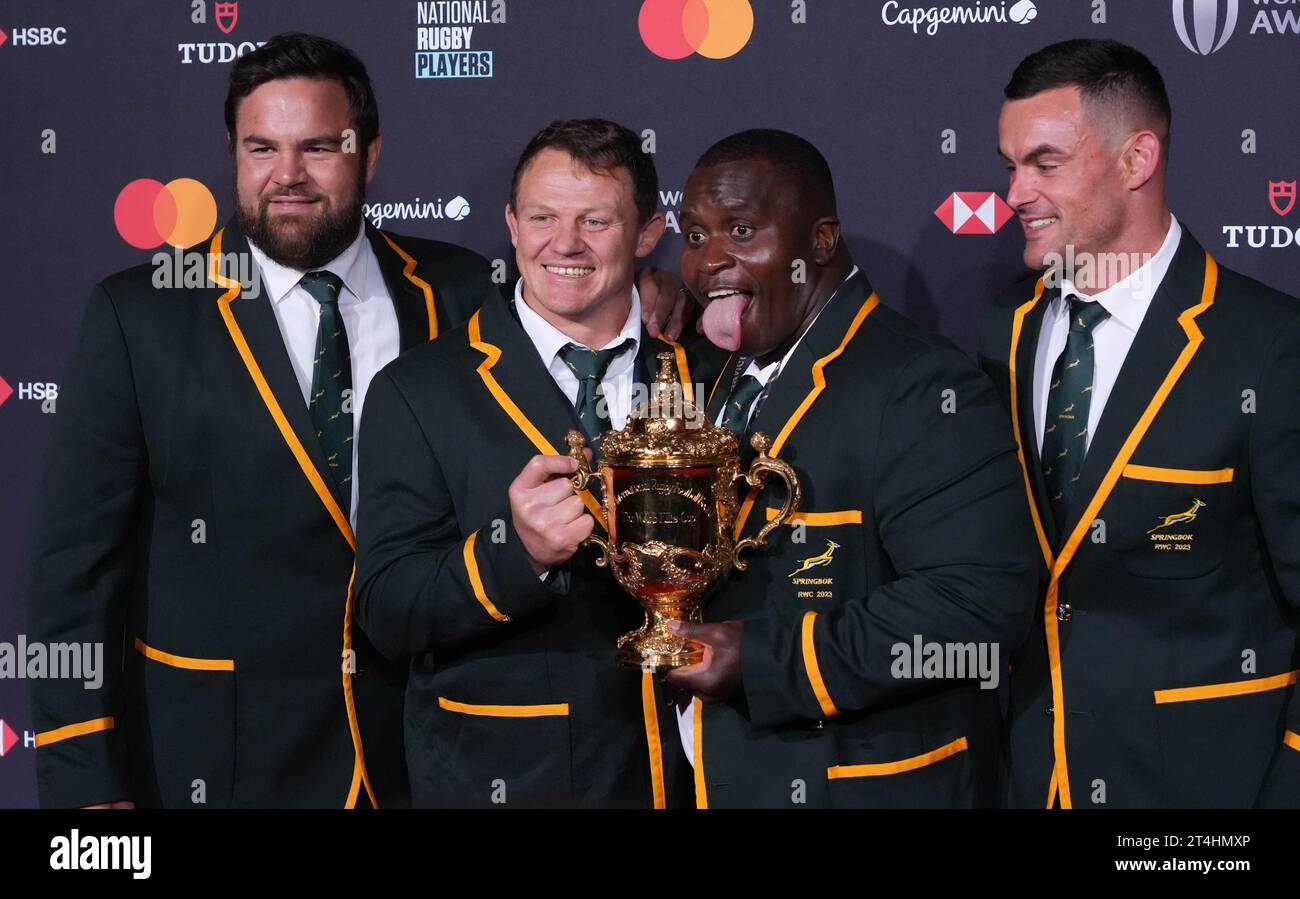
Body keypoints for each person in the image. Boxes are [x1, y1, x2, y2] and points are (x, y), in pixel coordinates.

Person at [24, 32, 693, 810]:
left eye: (318, 147)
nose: (288, 176)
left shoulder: (461, 289)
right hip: (219, 750)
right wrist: (80, 776)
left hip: (416, 748)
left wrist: (653, 290)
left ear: (369, 155)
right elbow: (72, 568)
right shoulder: (139, 314)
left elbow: (578, 303)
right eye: (261, 148)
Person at [353, 119, 724, 807]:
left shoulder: (709, 376)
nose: (566, 243)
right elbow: (387, 609)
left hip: (688, 779)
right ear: (512, 226)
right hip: (507, 778)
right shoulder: (422, 389)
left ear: (647, 234)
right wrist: (514, 554)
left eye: (596, 220)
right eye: (543, 217)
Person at [664, 129, 1037, 808]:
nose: (710, 259)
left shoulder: (919, 383)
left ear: (822, 242)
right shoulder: (710, 375)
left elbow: (979, 603)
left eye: (742, 229)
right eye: (693, 235)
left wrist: (764, 659)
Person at [978, 38, 1300, 808]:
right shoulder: (1004, 333)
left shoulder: (1269, 346)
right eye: (1009, 164)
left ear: (1137, 158)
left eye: (1044, 164)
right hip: (1027, 776)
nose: (1014, 192)